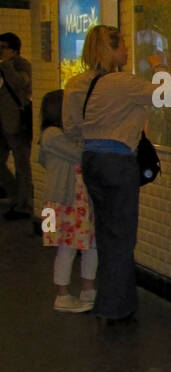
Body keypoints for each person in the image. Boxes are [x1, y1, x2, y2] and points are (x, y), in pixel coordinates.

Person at [63, 26, 163, 325]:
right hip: (117, 161)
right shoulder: (120, 82)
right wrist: (162, 66)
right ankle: (114, 307)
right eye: (124, 47)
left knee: (106, 235)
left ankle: (109, 298)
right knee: (122, 236)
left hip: (90, 160)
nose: (128, 52)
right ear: (112, 49)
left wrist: (96, 130)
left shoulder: (76, 83)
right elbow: (161, 94)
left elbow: (71, 127)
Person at [38, 90, 97, 312]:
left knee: (91, 244)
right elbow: (81, 154)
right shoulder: (52, 135)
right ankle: (62, 295)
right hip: (64, 200)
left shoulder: (60, 134)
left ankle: (88, 290)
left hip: (78, 199)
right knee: (67, 247)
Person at [0, 31, 34, 220]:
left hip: (17, 122)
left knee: (22, 164)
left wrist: (7, 64)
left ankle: (24, 203)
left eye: (3, 47)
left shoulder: (21, 64)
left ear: (13, 50)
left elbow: (20, 83)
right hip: (3, 123)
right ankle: (16, 193)